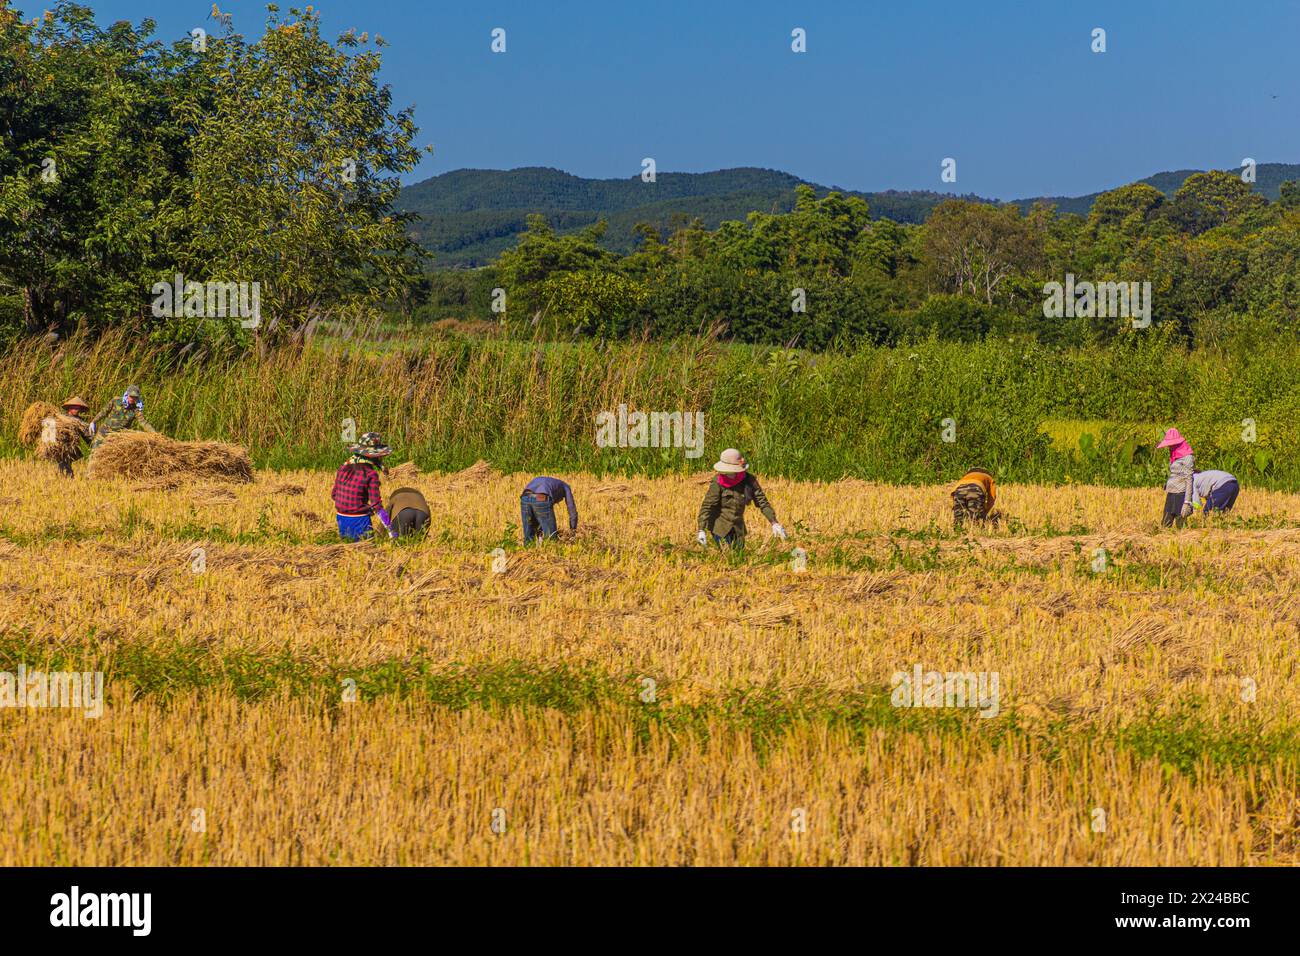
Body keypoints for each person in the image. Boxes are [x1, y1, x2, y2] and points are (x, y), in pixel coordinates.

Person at [696, 448, 786, 550]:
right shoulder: (718, 482)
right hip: (720, 526)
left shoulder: (749, 480)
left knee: (739, 554)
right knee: (727, 554)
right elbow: (708, 505)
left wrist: (774, 522)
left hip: (738, 527)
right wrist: (701, 529)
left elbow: (762, 502)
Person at [330, 432, 395, 541]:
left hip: (341, 519)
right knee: (367, 549)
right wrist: (391, 529)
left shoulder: (343, 468)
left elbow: (334, 495)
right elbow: (376, 505)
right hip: (359, 521)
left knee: (347, 547)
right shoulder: (370, 474)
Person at [90, 384, 156, 450]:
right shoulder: (116, 401)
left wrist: (155, 434)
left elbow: (143, 423)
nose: (132, 399)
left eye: (135, 397)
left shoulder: (136, 410)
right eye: (131, 396)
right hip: (104, 432)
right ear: (127, 394)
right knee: (95, 451)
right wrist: (93, 421)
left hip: (118, 437)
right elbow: (103, 412)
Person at [1156, 428, 1195, 527]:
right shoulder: (1174, 455)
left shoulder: (1187, 457)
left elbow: (1189, 479)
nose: (1169, 446)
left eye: (1171, 444)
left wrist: (1187, 501)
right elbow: (1175, 473)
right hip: (1171, 493)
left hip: (1181, 494)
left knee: (1180, 525)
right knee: (1165, 525)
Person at [520, 476, 577, 543]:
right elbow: (572, 509)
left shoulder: (550, 482)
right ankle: (550, 546)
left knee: (528, 535)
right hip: (541, 498)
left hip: (525, 498)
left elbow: (538, 514)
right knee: (551, 537)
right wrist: (573, 529)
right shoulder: (566, 487)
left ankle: (528, 547)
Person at [56, 395, 93, 477]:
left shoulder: (80, 421)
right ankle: (65, 476)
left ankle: (67, 476)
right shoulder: (61, 418)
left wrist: (93, 445)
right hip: (60, 445)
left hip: (71, 446)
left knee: (66, 463)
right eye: (75, 408)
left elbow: (87, 435)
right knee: (62, 463)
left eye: (78, 408)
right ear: (69, 408)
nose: (77, 410)